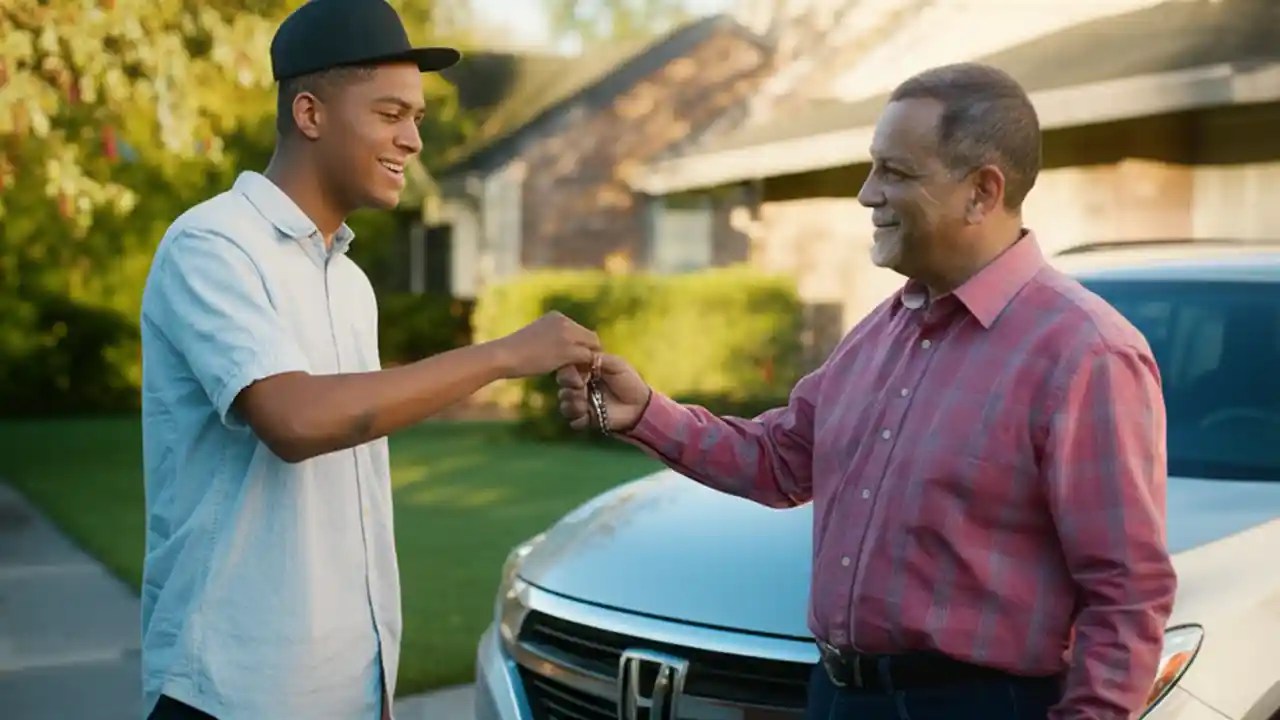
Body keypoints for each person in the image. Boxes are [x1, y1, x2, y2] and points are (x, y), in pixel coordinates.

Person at [558, 62, 1177, 720]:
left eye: (896, 172)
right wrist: (645, 413)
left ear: (982, 192)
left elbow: (1126, 594)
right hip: (837, 697)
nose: (866, 194)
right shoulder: (882, 330)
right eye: (873, 166)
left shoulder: (1086, 353)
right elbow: (781, 460)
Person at [136, 1, 600, 719]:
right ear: (311, 113)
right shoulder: (213, 246)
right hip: (231, 688)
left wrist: (375, 682)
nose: (412, 140)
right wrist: (505, 354)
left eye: (415, 117)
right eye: (390, 114)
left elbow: (354, 487)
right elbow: (294, 419)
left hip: (348, 689)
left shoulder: (350, 283)